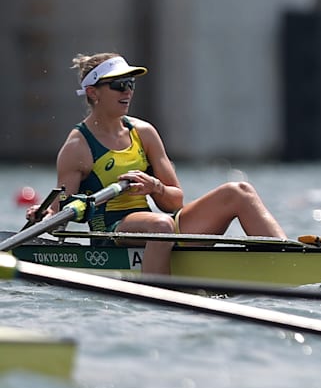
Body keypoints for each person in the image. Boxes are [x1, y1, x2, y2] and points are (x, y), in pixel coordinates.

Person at [27, 52, 297, 274]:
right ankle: (158, 294)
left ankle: (293, 263)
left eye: (131, 83)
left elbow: (176, 202)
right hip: (112, 232)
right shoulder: (77, 147)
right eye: (119, 85)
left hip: (157, 223)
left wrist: (155, 187)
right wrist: (43, 215)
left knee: (239, 192)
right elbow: (59, 215)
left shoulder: (144, 132)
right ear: (93, 92)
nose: (128, 91)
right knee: (161, 226)